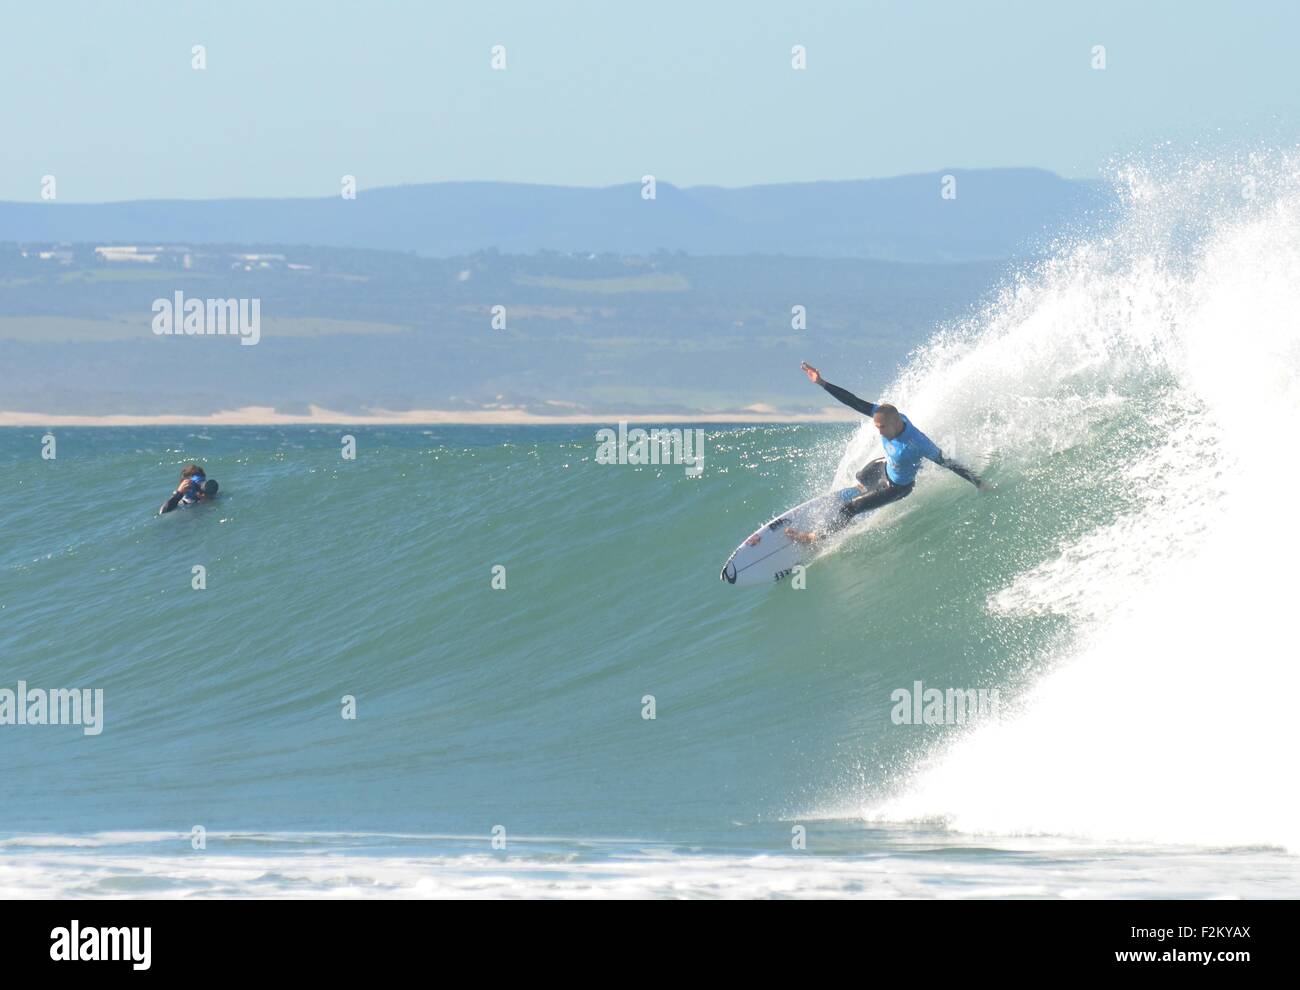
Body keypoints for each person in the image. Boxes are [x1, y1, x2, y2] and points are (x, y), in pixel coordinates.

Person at [786, 362, 986, 543]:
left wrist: (979, 483)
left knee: (849, 508)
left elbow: (947, 462)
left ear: (895, 423)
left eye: (881, 428)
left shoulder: (916, 443)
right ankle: (863, 495)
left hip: (897, 487)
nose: (878, 431)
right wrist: (822, 383)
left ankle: (813, 538)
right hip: (884, 466)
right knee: (861, 476)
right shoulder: (885, 416)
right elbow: (853, 401)